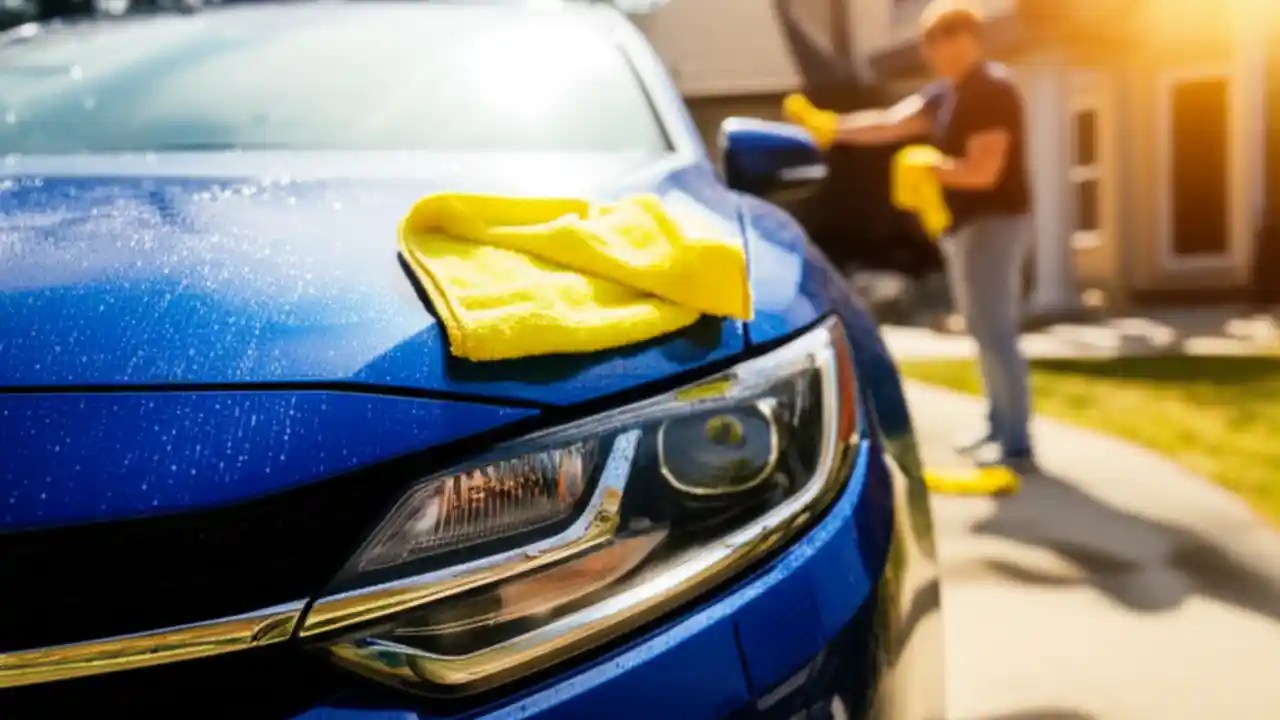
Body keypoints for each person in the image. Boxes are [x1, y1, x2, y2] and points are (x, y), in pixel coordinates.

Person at [832, 0, 1035, 471]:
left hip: (995, 221)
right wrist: (832, 128)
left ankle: (1016, 442)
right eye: (927, 41)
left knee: (996, 329)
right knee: (982, 328)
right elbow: (889, 123)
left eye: (938, 39)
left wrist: (929, 167)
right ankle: (997, 425)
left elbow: (985, 172)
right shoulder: (946, 94)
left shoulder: (991, 90)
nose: (930, 50)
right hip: (963, 225)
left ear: (967, 39)